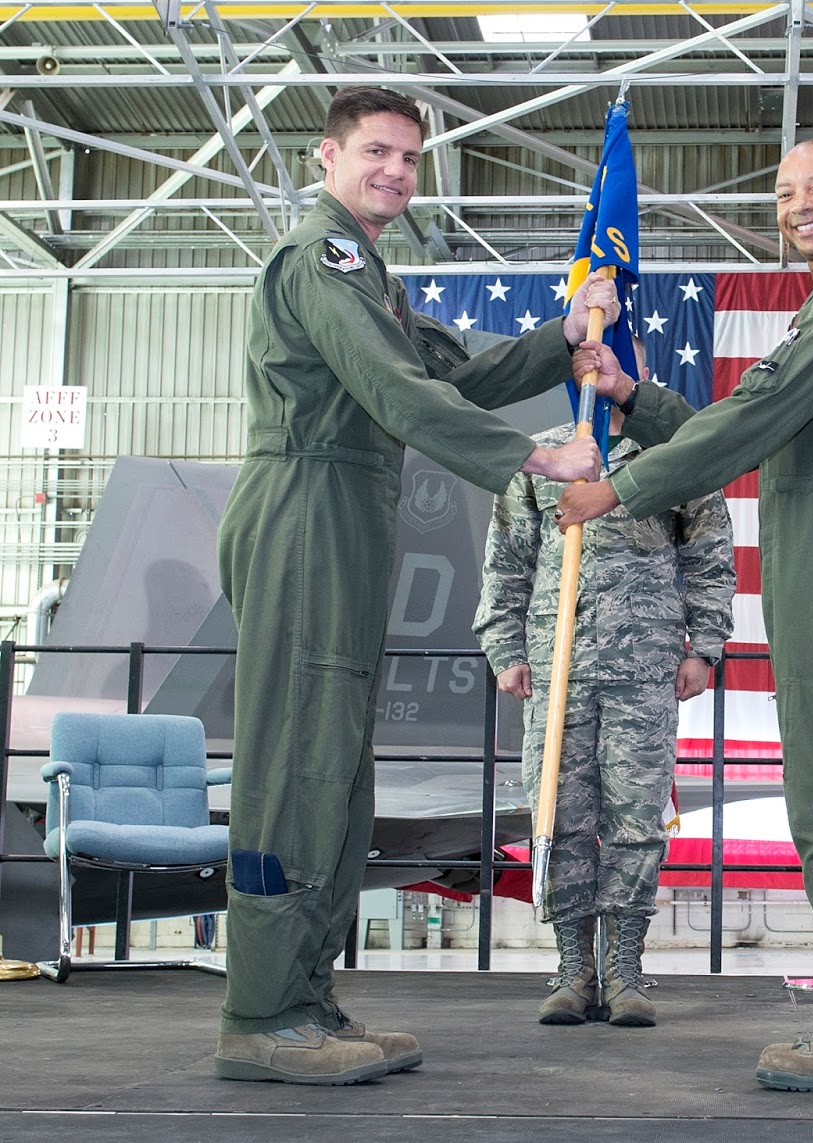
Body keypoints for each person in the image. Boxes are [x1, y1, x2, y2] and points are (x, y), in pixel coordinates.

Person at [214, 85, 627, 1085]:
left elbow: (446, 368)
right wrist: (536, 462)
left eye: (408, 155)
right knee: (296, 766)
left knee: (338, 769)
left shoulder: (373, 279)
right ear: (328, 157)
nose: (395, 170)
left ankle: (305, 997)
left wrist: (559, 339)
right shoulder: (323, 259)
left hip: (347, 517)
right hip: (305, 511)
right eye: (377, 151)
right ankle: (262, 1014)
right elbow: (398, 390)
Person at [556, 139, 813, 1092]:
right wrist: (635, 398)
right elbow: (754, 415)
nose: (799, 204)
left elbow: (756, 415)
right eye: (784, 191)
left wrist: (622, 489)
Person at [472, 340, 735, 1029]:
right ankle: (571, 968)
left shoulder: (674, 454)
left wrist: (703, 646)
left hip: (644, 673)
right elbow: (506, 564)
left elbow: (709, 558)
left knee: (635, 820)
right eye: (589, 356)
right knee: (559, 815)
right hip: (558, 675)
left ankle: (624, 967)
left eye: (617, 358)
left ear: (637, 371)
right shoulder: (544, 458)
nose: (599, 367)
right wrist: (504, 646)